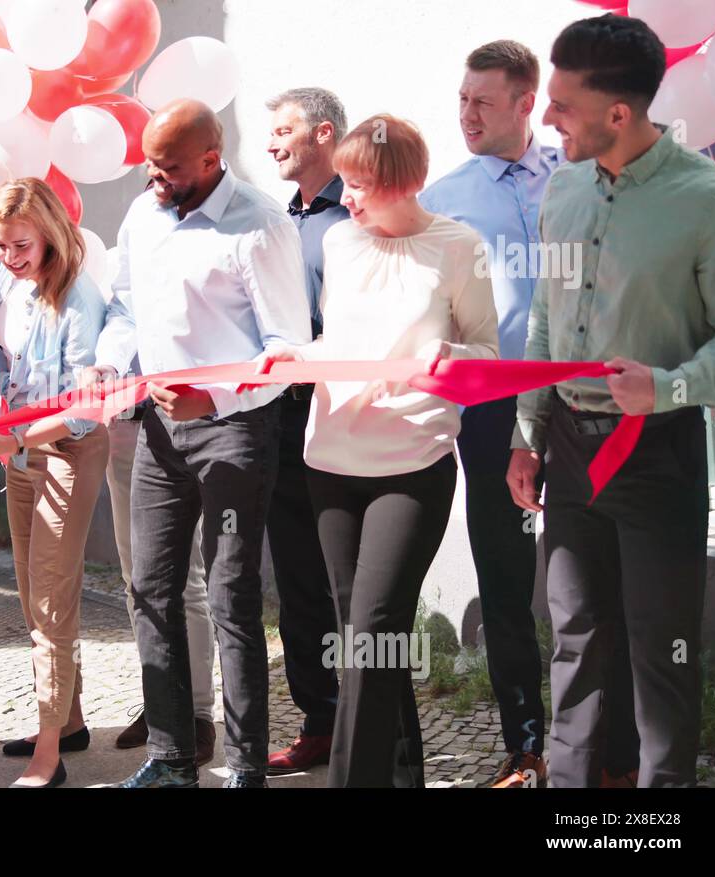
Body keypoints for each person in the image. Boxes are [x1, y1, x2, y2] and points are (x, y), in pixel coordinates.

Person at [507, 14, 715, 788]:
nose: (546, 118)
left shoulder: (708, 199)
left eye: (561, 103)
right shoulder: (562, 188)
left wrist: (667, 386)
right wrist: (525, 433)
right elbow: (543, 315)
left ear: (618, 113)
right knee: (573, 641)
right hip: (567, 444)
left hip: (658, 447)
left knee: (661, 650)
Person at [261, 114, 500, 787]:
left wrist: (448, 355)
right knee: (364, 637)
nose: (351, 195)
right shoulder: (340, 242)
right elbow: (339, 346)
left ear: (407, 182)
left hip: (413, 463)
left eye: (364, 184)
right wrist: (292, 355)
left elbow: (489, 350)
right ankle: (402, 776)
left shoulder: (459, 247)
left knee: (370, 634)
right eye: (349, 181)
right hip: (331, 462)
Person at [93, 99, 311, 789]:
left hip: (236, 432)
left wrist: (213, 397)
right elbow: (126, 305)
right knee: (151, 587)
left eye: (169, 168)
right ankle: (171, 755)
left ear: (212, 159)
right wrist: (111, 358)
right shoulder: (141, 215)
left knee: (230, 595)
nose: (154, 179)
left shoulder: (262, 226)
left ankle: (246, 766)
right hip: (158, 432)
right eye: (149, 165)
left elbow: (289, 349)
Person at [417, 39, 560, 788]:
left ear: (524, 102)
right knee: (506, 574)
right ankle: (525, 744)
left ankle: (599, 742)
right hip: (491, 408)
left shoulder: (578, 178)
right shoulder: (445, 195)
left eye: (482, 100)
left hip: (586, 397)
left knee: (592, 575)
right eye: (462, 98)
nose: (465, 113)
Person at [0, 178, 109, 788]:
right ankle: (67, 721)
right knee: (30, 593)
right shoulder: (3, 279)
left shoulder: (80, 299)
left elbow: (83, 409)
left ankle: (51, 755)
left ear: (49, 233)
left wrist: (15, 440)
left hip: (64, 452)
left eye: (20, 246)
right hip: (15, 456)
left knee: (50, 603)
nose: (9, 259)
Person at [262, 86, 350, 777]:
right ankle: (320, 720)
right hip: (281, 423)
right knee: (297, 582)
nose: (271, 142)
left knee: (349, 580)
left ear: (325, 134)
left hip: (348, 419)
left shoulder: (360, 213)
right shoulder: (274, 221)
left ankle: (371, 721)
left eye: (284, 129)